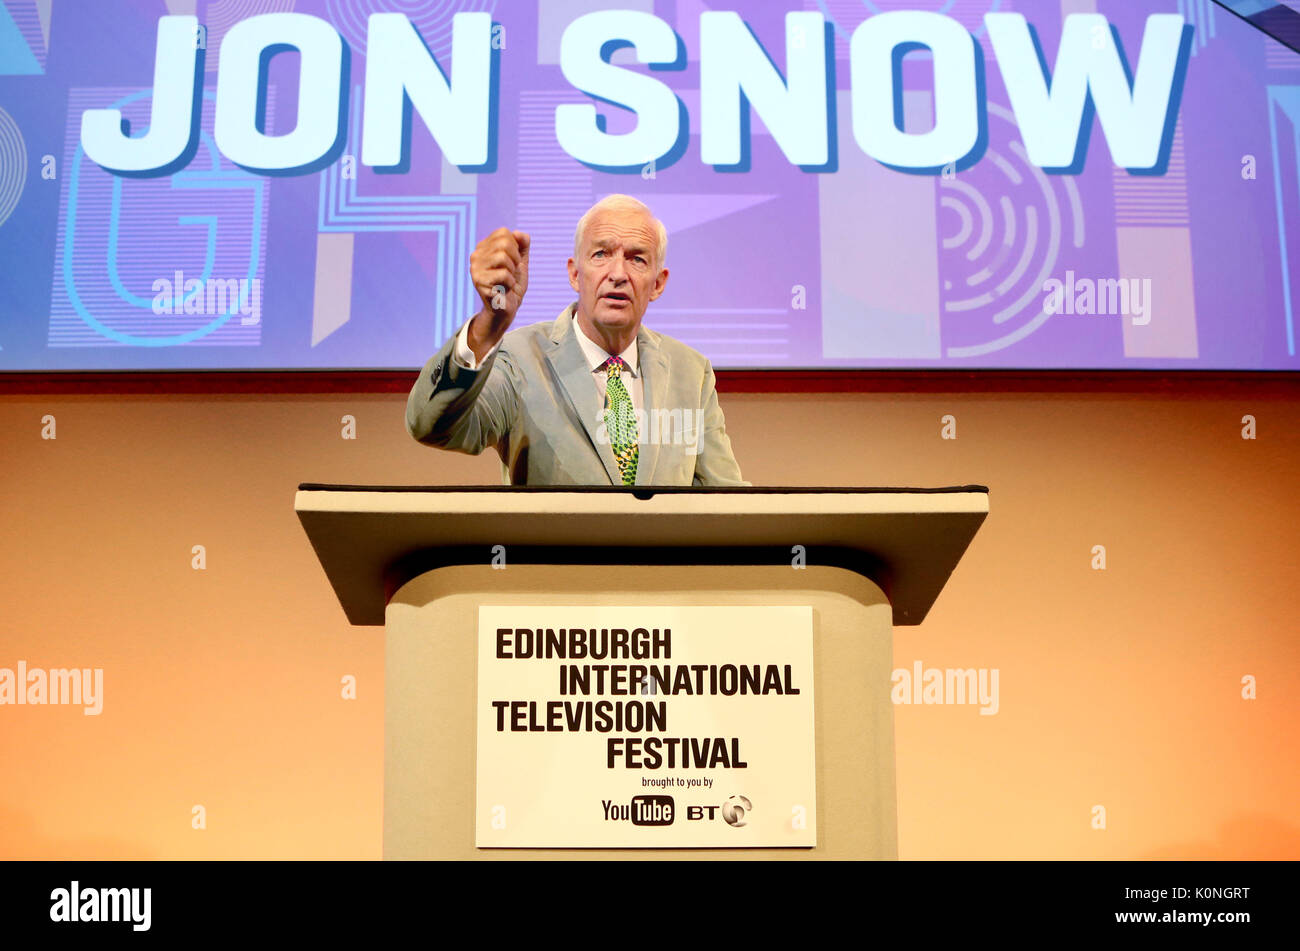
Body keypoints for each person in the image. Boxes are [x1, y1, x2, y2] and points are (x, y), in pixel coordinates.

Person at [405, 194, 749, 486]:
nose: (618, 274)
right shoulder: (519, 358)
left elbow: (725, 499)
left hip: (657, 567)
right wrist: (489, 324)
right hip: (555, 566)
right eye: (600, 254)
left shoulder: (691, 370)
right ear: (574, 274)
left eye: (636, 258)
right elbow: (431, 427)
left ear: (658, 283)